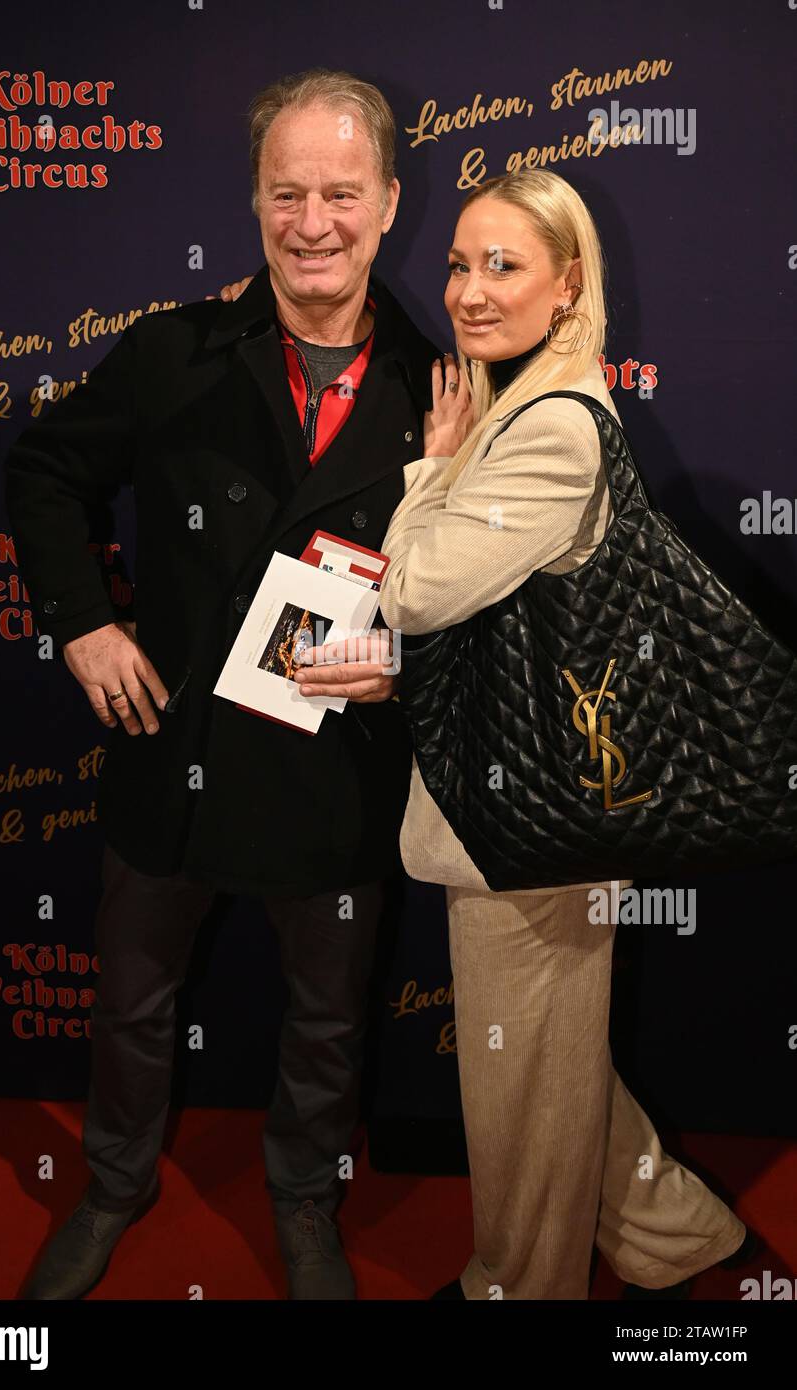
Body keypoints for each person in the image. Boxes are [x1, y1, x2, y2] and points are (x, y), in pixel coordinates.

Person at [4, 67, 441, 1301]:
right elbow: (43, 471)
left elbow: (478, 597)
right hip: (171, 755)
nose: (314, 223)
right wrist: (83, 621)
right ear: (253, 200)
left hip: (336, 774)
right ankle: (113, 1184)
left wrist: (398, 665)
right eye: (287, 193)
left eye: (342, 193)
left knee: (325, 1024)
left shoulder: (443, 387)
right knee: (133, 1005)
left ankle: (305, 1200)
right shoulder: (172, 351)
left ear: (391, 202)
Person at [367, 167, 757, 1299]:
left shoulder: (550, 429)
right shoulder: (530, 402)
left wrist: (432, 468)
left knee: (521, 1089)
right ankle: (673, 1232)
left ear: (568, 281)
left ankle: (520, 1285)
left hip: (532, 823)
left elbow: (415, 590)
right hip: (539, 805)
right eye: (457, 263)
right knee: (551, 1061)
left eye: (504, 266)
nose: (470, 293)